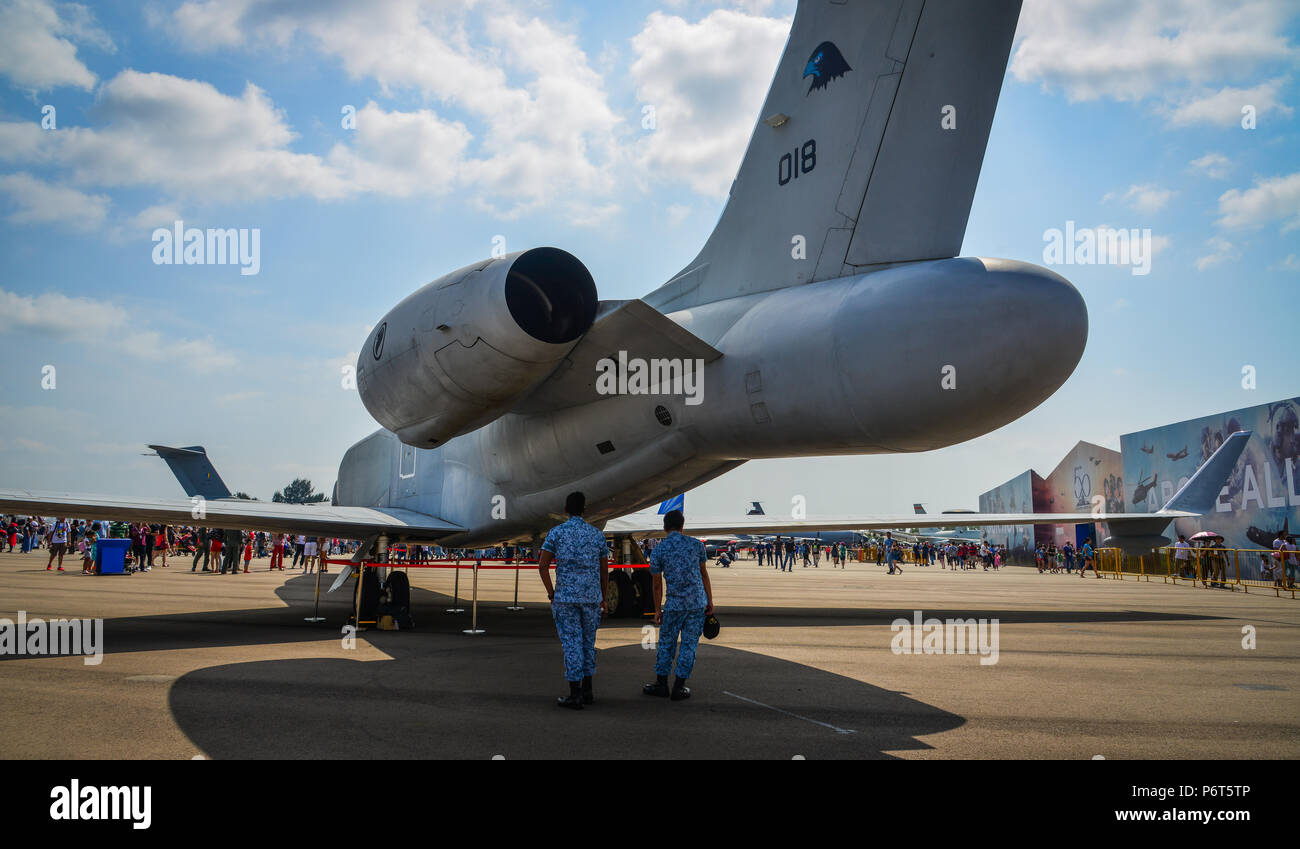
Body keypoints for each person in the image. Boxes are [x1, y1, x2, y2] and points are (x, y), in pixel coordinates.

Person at [536, 492, 609, 709]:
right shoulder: (596, 535)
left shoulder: (557, 533)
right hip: (591, 599)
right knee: (588, 644)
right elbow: (604, 571)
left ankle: (574, 694)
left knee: (572, 644)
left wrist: (551, 593)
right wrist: (603, 598)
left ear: (566, 510)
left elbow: (542, 566)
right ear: (584, 510)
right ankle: (588, 691)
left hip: (566, 598)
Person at [643, 509, 714, 701]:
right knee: (689, 645)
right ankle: (679, 686)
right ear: (683, 527)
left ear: (665, 528)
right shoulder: (697, 546)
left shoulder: (659, 550)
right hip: (696, 603)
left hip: (674, 605)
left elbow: (657, 584)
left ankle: (661, 684)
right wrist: (710, 600)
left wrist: (658, 609)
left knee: (666, 644)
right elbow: (704, 574)